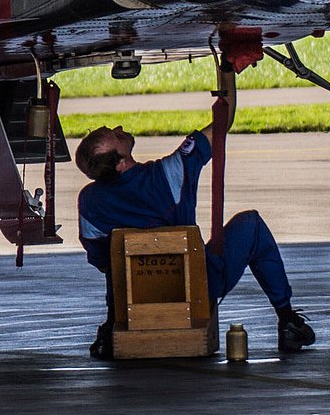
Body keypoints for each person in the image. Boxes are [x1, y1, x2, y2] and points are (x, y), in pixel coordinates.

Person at [74, 76, 315, 356]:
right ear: (120, 163)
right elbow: (223, 123)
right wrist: (227, 75)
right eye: (116, 135)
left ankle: (112, 325)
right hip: (195, 290)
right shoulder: (168, 173)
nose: (119, 129)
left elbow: (104, 262)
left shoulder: (89, 203)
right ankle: (288, 320)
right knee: (251, 224)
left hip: (131, 303)